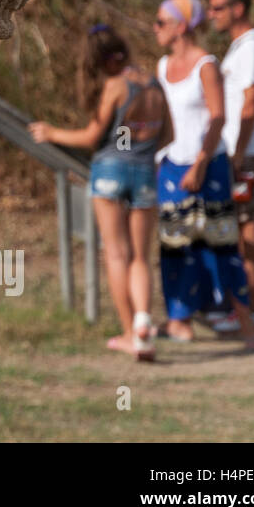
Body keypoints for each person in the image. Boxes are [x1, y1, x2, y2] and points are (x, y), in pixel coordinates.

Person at [29, 24, 168, 361]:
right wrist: (144, 153)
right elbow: (169, 134)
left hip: (110, 172)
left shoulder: (115, 86)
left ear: (99, 60)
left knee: (116, 254)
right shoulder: (153, 84)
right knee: (140, 256)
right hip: (146, 171)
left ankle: (128, 333)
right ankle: (144, 321)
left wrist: (51, 132)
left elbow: (92, 137)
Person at [152, 0, 254, 349]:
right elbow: (165, 119)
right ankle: (179, 319)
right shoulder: (161, 66)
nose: (155, 29)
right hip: (173, 166)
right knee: (175, 245)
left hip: (208, 164)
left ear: (181, 26)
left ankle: (245, 323)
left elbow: (218, 115)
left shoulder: (206, 65)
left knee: (220, 243)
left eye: (161, 22)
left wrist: (200, 162)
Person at [208, 0, 254, 330]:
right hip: (240, 150)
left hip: (245, 153)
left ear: (238, 9)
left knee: (247, 224)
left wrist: (237, 153)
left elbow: (249, 105)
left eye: (217, 8)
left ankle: (250, 306)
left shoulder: (250, 49)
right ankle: (242, 304)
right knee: (239, 224)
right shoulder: (239, 48)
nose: (210, 15)